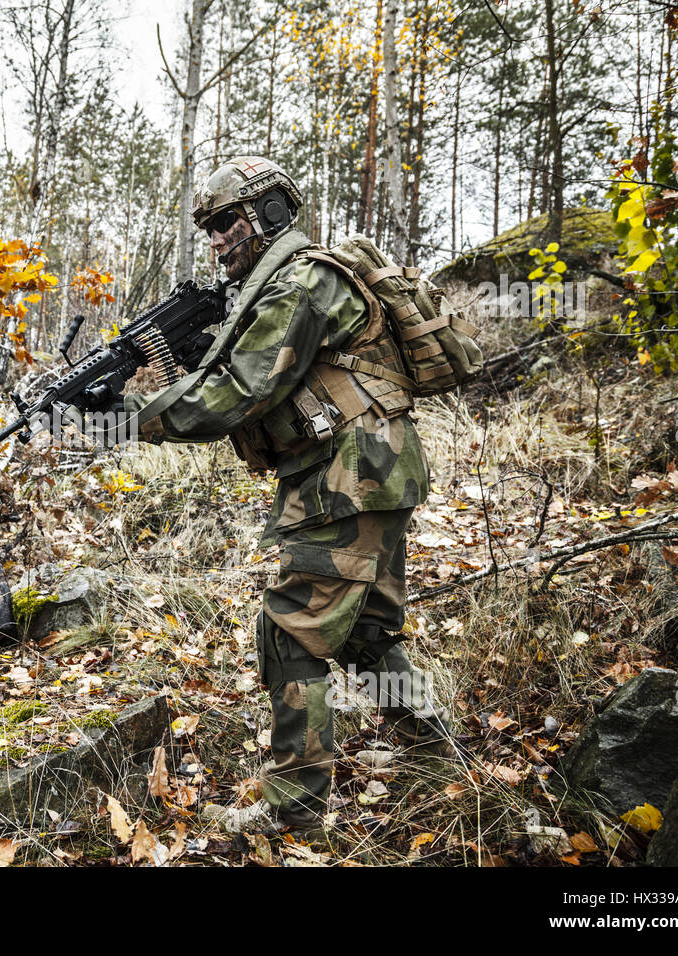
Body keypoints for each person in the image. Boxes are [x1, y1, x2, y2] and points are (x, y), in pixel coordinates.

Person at [120, 156, 452, 837]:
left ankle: (292, 807)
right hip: (370, 472)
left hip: (349, 476)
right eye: (207, 229)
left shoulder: (301, 281)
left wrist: (138, 413)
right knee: (365, 633)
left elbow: (240, 392)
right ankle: (437, 757)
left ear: (269, 213)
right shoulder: (284, 285)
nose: (215, 240)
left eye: (223, 223)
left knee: (289, 629)